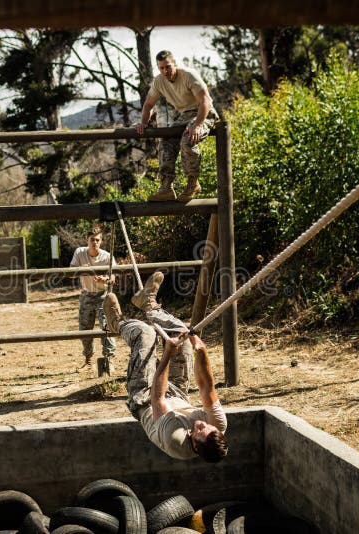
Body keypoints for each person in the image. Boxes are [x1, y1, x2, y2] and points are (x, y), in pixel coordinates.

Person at [104, 272, 229, 462]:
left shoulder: (175, 440)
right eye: (207, 427)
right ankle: (148, 305)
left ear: (195, 445)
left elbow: (157, 397)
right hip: (178, 393)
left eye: (200, 431)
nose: (202, 424)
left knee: (146, 334)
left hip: (145, 397)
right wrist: (201, 352)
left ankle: (116, 323)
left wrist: (168, 354)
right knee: (183, 334)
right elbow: (206, 387)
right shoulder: (217, 425)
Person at [136, 50, 220, 203]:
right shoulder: (159, 81)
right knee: (166, 141)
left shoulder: (189, 75)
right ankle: (166, 187)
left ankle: (193, 183)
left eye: (167, 67)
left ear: (174, 63)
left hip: (205, 113)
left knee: (188, 139)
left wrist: (197, 125)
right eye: (161, 68)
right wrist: (143, 123)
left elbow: (205, 102)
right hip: (185, 115)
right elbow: (148, 105)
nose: (165, 71)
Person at [70, 227, 117, 367]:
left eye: (97, 240)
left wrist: (106, 279)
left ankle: (109, 359)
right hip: (86, 294)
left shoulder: (107, 256)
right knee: (85, 328)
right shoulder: (80, 252)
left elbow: (113, 277)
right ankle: (88, 358)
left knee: (106, 327)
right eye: (92, 239)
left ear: (101, 241)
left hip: (104, 295)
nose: (94, 242)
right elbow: (70, 272)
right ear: (87, 240)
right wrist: (82, 270)